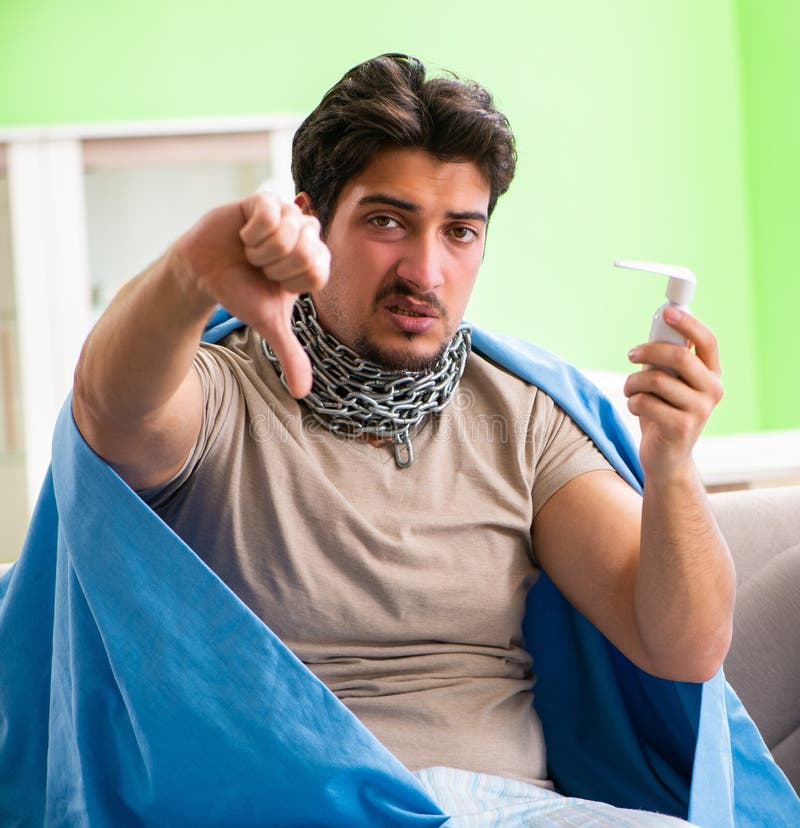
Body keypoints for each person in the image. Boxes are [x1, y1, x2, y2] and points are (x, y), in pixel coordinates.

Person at [71, 54, 734, 826]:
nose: (426, 270)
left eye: (460, 232)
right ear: (312, 221)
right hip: (296, 806)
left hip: (511, 810)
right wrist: (189, 273)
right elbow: (110, 412)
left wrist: (672, 464)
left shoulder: (523, 416)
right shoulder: (220, 394)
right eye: (387, 221)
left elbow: (682, 648)